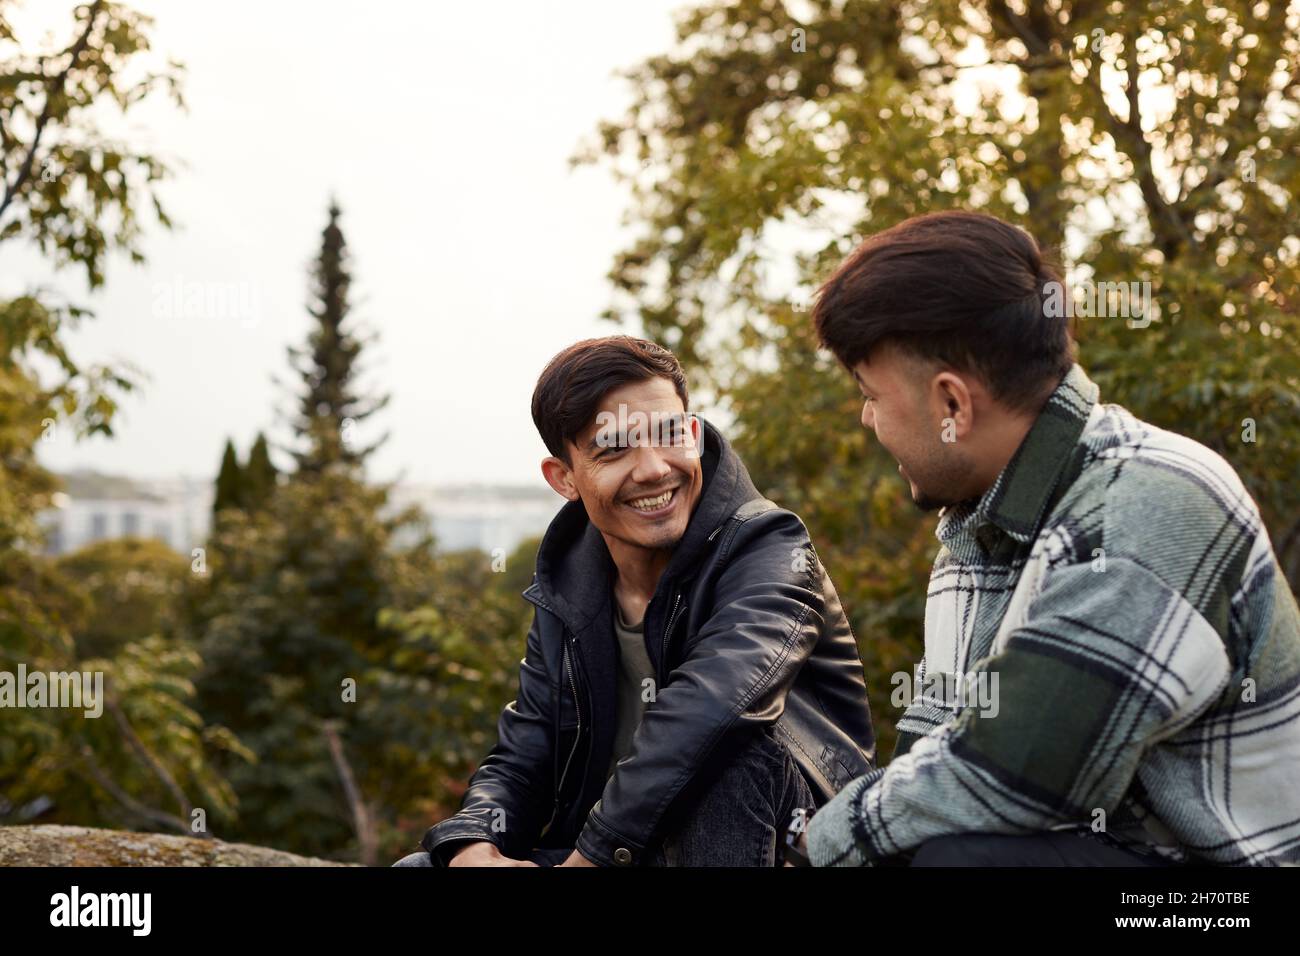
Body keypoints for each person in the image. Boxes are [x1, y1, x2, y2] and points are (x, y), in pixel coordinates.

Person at [797, 210, 1300, 867]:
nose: (868, 418)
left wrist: (813, 849)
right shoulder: (977, 534)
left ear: (953, 404)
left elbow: (1013, 778)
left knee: (965, 863)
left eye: (870, 395)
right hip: (1112, 854)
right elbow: (927, 755)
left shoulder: (1145, 505)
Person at [395, 335, 876, 867]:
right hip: (630, 852)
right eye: (614, 448)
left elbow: (713, 709)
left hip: (784, 847)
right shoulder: (570, 582)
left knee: (733, 756)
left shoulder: (770, 547)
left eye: (669, 433)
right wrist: (473, 843)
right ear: (564, 479)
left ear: (692, 433)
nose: (652, 468)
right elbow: (529, 748)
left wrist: (590, 858)